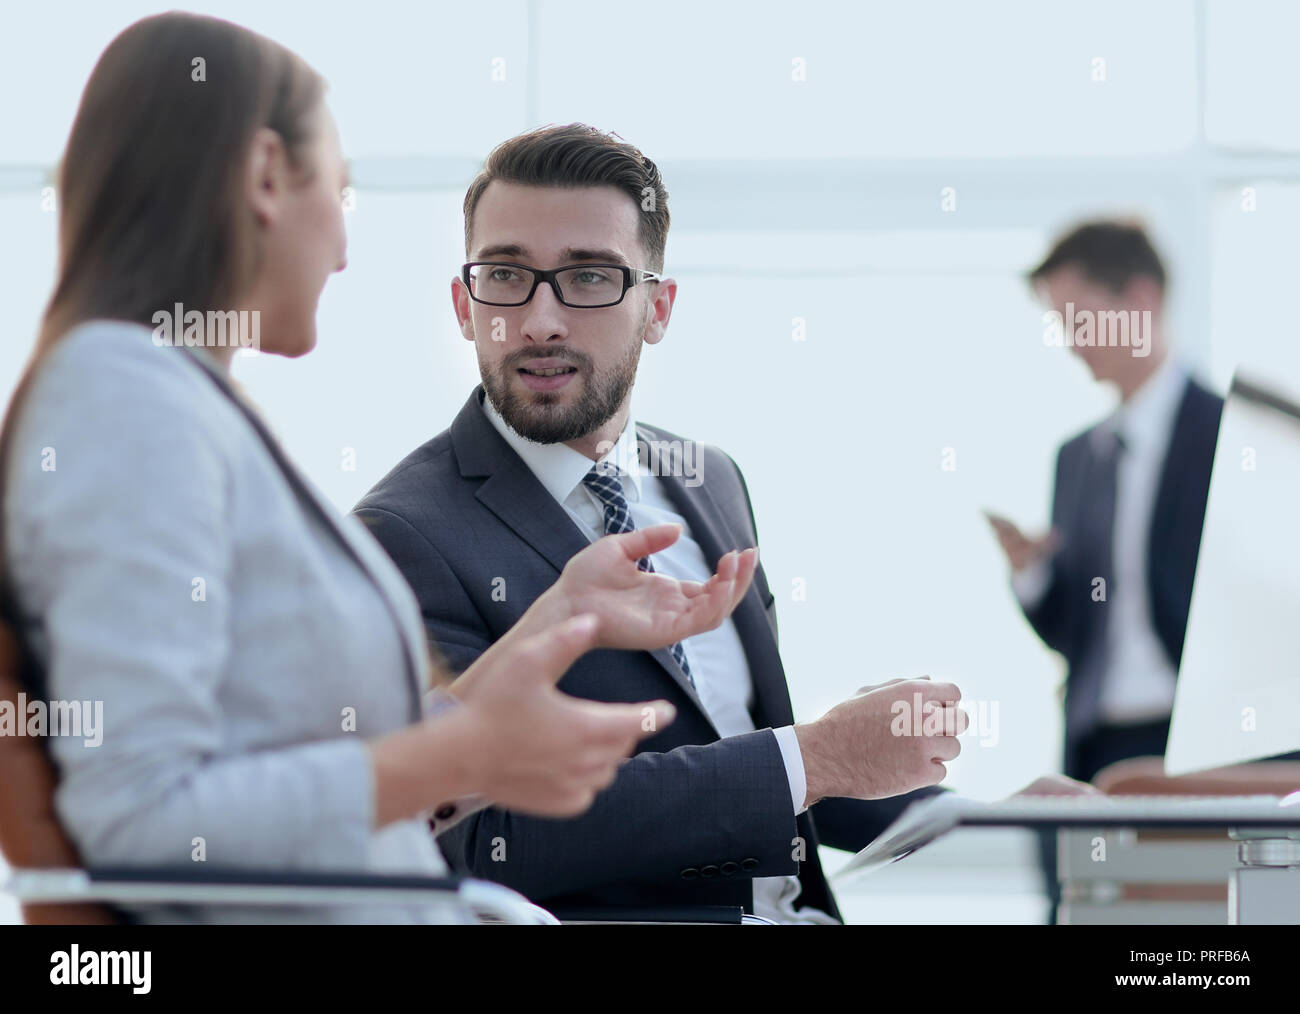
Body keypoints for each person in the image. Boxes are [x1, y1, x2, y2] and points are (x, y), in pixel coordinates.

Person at [0, 14, 757, 924]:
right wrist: (466, 756)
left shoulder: (183, 404)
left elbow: (304, 778)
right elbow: (146, 822)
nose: (345, 250)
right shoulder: (129, 399)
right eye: (345, 192)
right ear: (267, 176)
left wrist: (555, 625)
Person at [355, 124, 975, 924]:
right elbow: (472, 838)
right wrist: (817, 755)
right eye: (506, 275)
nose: (541, 320)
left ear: (658, 308)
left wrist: (984, 820)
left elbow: (754, 760)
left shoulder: (710, 479)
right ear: (465, 306)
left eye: (587, 277)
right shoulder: (400, 533)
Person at [988, 220, 1222, 921]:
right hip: (1097, 738)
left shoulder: (1234, 436)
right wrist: (1033, 577)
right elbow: (1075, 633)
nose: (1070, 342)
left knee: (1196, 935)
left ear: (1141, 299)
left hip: (1198, 740)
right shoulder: (1079, 458)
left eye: (1079, 319)